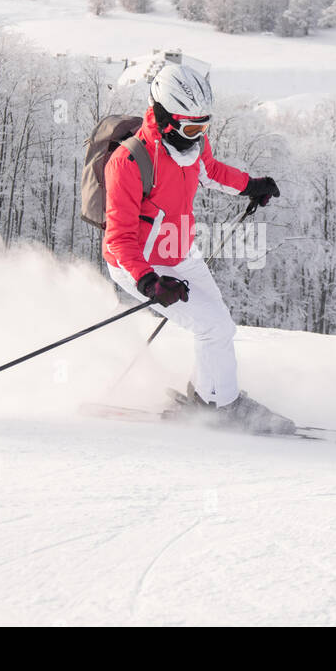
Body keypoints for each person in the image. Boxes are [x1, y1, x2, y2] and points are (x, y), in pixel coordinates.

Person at [102, 63, 289, 432]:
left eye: (204, 126)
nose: (198, 136)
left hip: (181, 254)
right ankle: (222, 406)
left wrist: (250, 186)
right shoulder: (128, 162)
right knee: (213, 328)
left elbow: (211, 170)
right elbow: (119, 238)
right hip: (140, 265)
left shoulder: (192, 144)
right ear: (164, 116)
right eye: (190, 128)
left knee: (220, 327)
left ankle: (209, 396)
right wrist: (149, 282)